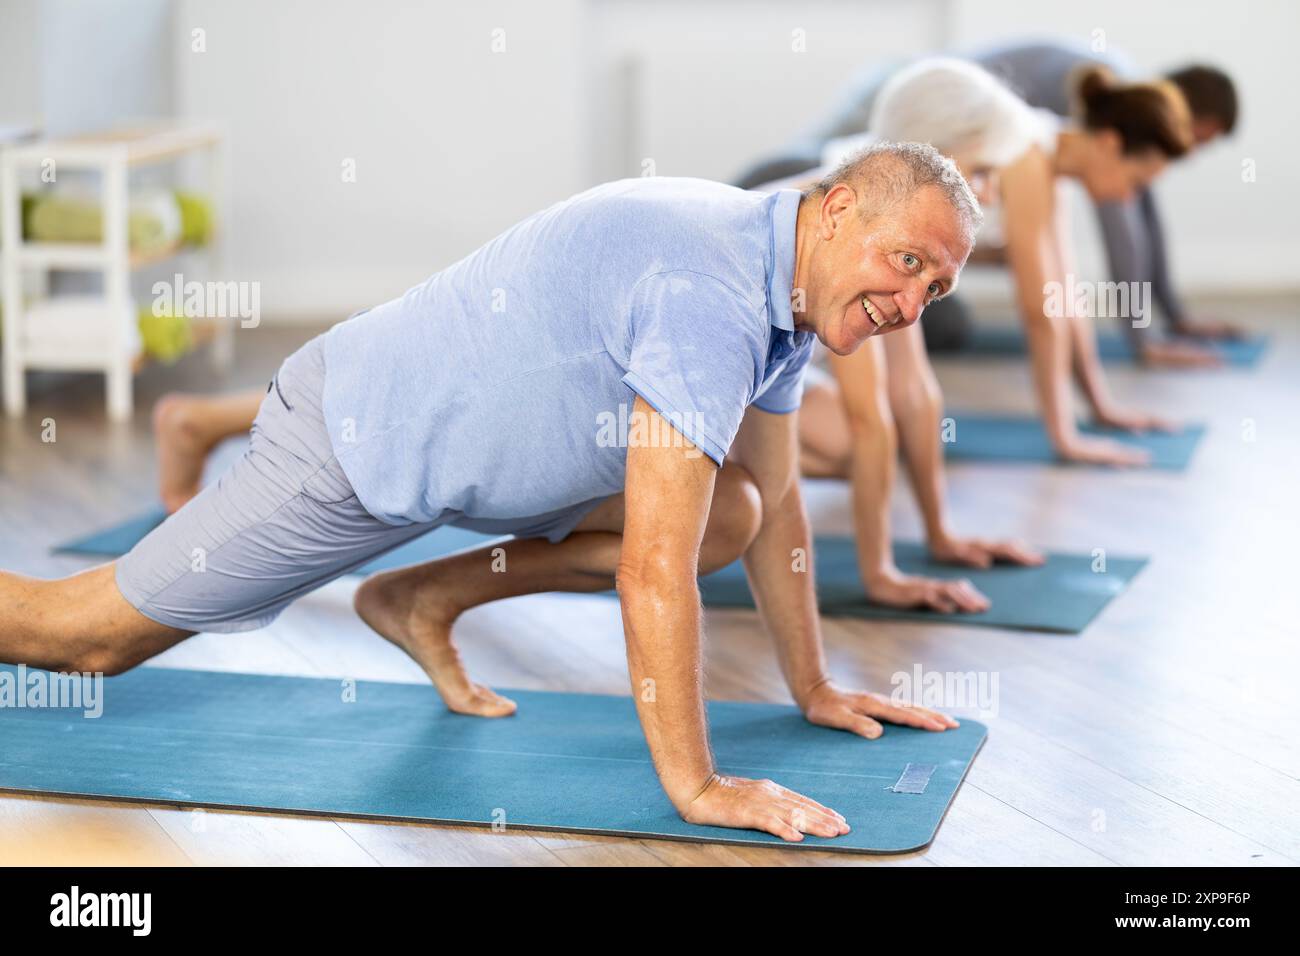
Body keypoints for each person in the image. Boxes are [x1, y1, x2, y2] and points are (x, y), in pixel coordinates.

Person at [1, 143, 977, 843]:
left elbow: (776, 496)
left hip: (469, 456)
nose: (909, 304)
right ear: (842, 208)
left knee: (737, 508)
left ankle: (421, 595)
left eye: (934, 289)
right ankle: (413, 588)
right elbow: (652, 570)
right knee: (79, 641)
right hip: (350, 445)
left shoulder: (786, 294)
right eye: (906, 262)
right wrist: (696, 783)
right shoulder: (711, 295)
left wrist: (809, 687)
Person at [735, 39, 1240, 367]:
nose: (1130, 197)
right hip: (887, 98)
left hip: (909, 124)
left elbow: (1063, 286)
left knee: (945, 324)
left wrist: (1167, 320)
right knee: (783, 206)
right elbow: (1050, 302)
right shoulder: (1041, 145)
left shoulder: (1070, 140)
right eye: (1136, 181)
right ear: (1112, 144)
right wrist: (1142, 341)